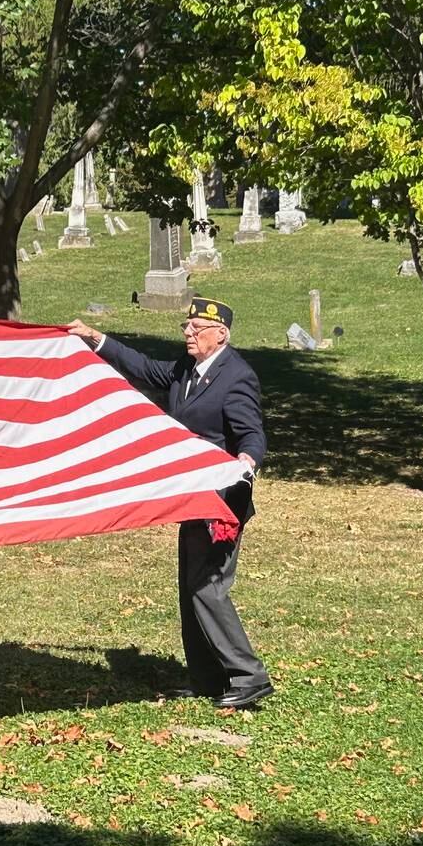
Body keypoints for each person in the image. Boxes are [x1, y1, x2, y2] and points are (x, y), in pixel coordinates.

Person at [67, 297, 274, 710]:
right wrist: (96, 339)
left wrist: (247, 462)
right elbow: (145, 368)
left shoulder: (236, 376)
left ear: (221, 335)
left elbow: (252, 432)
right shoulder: (187, 370)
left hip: (222, 499)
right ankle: (207, 678)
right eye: (187, 325)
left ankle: (249, 676)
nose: (188, 333)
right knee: (190, 587)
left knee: (208, 587)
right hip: (192, 494)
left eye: (197, 328)